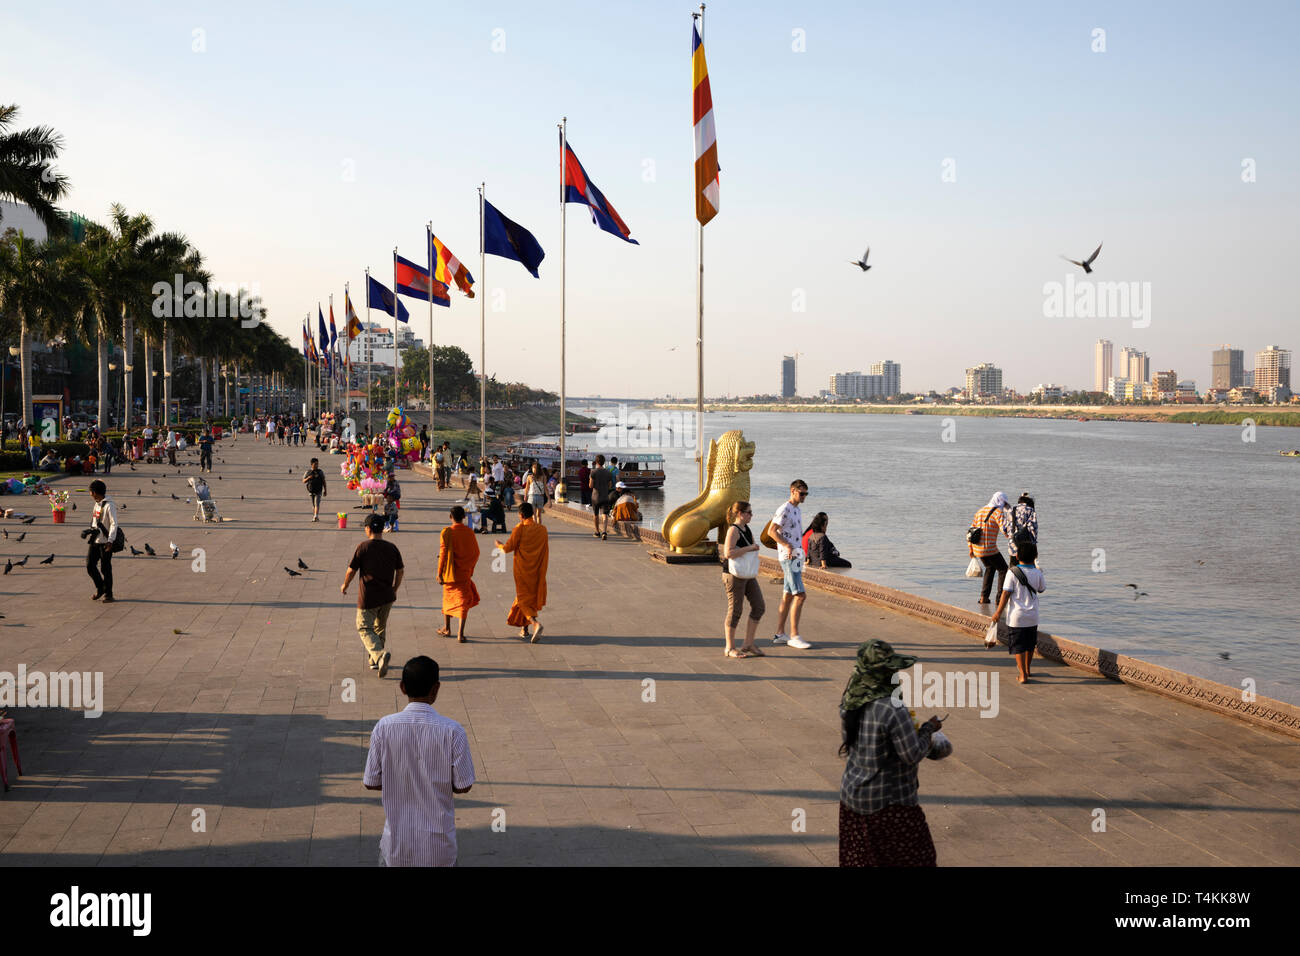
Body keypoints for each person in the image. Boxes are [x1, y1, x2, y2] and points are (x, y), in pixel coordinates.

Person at [838, 639, 945, 867]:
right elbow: (911, 754)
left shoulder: (850, 701)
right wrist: (928, 729)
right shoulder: (892, 708)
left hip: (852, 798)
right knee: (918, 859)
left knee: (863, 861)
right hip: (888, 804)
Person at [363, 655, 475, 867]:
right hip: (439, 848)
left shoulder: (384, 727)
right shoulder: (453, 731)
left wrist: (399, 781)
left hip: (397, 846)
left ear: (402, 688)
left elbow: (371, 781)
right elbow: (463, 785)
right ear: (436, 689)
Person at [342, 513, 404, 677]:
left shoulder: (363, 547)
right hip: (387, 596)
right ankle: (374, 661)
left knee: (363, 627)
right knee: (379, 628)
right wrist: (395, 589)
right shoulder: (392, 547)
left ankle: (378, 655)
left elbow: (351, 570)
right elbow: (400, 570)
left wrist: (345, 584)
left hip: (368, 596)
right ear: (382, 529)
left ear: (367, 528)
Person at [993, 539, 1045, 684]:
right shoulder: (1037, 572)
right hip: (1033, 616)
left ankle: (1022, 674)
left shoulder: (1012, 573)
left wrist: (998, 612)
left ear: (1017, 557)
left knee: (1018, 646)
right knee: (1029, 645)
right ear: (1035, 556)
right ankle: (1027, 670)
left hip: (1017, 617)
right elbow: (1041, 589)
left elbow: (1005, 594)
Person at [496, 502, 548, 643]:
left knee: (523, 599)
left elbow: (507, 548)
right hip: (537, 571)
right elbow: (545, 552)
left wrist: (499, 545)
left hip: (522, 571)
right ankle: (524, 630)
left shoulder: (519, 529)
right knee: (526, 598)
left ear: (521, 515)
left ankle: (535, 623)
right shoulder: (542, 530)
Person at [719, 501, 765, 659]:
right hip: (733, 574)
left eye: (751, 512)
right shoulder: (734, 530)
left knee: (759, 606)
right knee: (736, 610)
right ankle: (729, 647)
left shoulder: (747, 529)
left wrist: (752, 547)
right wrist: (750, 548)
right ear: (740, 513)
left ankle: (748, 643)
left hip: (747, 572)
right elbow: (728, 553)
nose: (751, 515)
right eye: (749, 512)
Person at [770, 479, 813, 649]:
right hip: (789, 557)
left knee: (788, 594)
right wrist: (786, 545)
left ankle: (780, 633)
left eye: (806, 494)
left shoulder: (796, 509)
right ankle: (794, 635)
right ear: (793, 491)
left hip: (796, 556)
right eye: (802, 493)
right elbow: (771, 531)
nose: (804, 497)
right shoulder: (785, 509)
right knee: (800, 595)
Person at [437, 506, 481, 643]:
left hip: (449, 573)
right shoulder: (469, 532)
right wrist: (470, 568)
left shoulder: (447, 532)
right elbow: (476, 553)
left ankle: (447, 628)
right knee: (462, 602)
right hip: (464, 573)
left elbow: (443, 554)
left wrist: (439, 573)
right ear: (463, 517)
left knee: (447, 600)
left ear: (451, 517)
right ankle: (460, 634)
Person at [969, 492, 1013, 605]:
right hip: (989, 548)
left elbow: (970, 531)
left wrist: (971, 549)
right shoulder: (997, 512)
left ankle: (984, 597)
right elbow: (1005, 529)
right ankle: (999, 599)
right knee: (1003, 570)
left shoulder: (980, 511)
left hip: (977, 548)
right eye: (1003, 503)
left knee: (990, 568)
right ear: (999, 501)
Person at [85, 479, 120, 603]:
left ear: (95, 492)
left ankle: (108, 594)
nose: (90, 495)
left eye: (90, 492)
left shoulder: (109, 505)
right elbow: (95, 521)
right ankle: (100, 588)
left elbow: (114, 524)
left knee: (105, 568)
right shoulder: (97, 503)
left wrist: (110, 541)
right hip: (95, 540)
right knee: (90, 565)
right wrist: (89, 531)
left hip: (106, 542)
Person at [1007, 492, 1039, 565]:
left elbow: (1006, 528)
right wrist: (1034, 546)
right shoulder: (1030, 510)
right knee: (1028, 571)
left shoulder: (1010, 510)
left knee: (1013, 570)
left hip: (1013, 545)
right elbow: (1033, 529)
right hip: (1026, 547)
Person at [589, 453, 614, 539]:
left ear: (596, 462)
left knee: (596, 515)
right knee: (605, 514)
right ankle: (604, 531)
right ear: (604, 462)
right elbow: (610, 485)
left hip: (595, 497)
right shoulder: (608, 473)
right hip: (605, 496)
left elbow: (591, 485)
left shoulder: (593, 472)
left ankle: (597, 532)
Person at [303, 458, 328, 522]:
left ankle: (316, 516)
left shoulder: (320, 471)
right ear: (311, 464)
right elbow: (303, 481)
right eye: (315, 464)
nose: (317, 465)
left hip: (319, 490)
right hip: (311, 490)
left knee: (317, 503)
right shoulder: (308, 472)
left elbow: (323, 481)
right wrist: (308, 478)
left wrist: (325, 490)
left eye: (317, 464)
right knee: (313, 505)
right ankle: (315, 516)